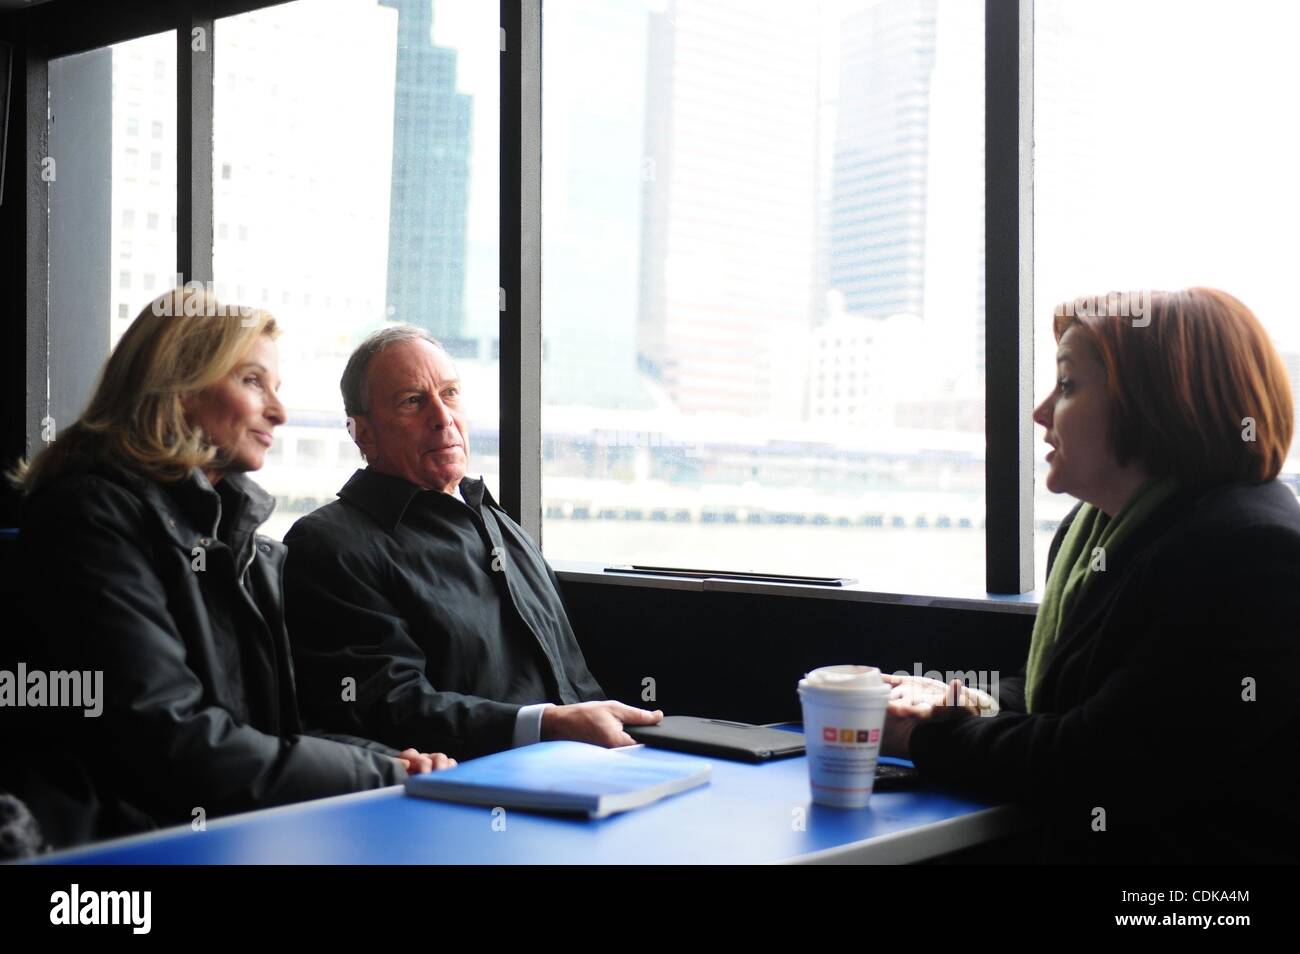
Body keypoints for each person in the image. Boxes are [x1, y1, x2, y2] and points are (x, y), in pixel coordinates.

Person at [8, 289, 453, 849]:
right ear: (178, 386)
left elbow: (271, 735)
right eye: (251, 381)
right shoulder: (89, 517)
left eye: (277, 388)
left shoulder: (250, 550)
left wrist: (393, 762)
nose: (279, 411)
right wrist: (382, 775)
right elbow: (169, 742)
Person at [881, 287, 1300, 864]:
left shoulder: (1250, 552)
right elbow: (1076, 700)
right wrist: (967, 701)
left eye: (1069, 385)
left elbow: (1099, 763)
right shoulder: (1099, 531)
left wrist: (921, 735)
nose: (1041, 412)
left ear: (1156, 402)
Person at [283, 326, 662, 760]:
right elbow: (385, 707)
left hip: (589, 761)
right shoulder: (330, 545)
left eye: (450, 393)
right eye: (413, 401)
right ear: (363, 433)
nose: (442, 417)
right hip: (470, 788)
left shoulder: (498, 524)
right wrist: (547, 726)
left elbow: (573, 682)